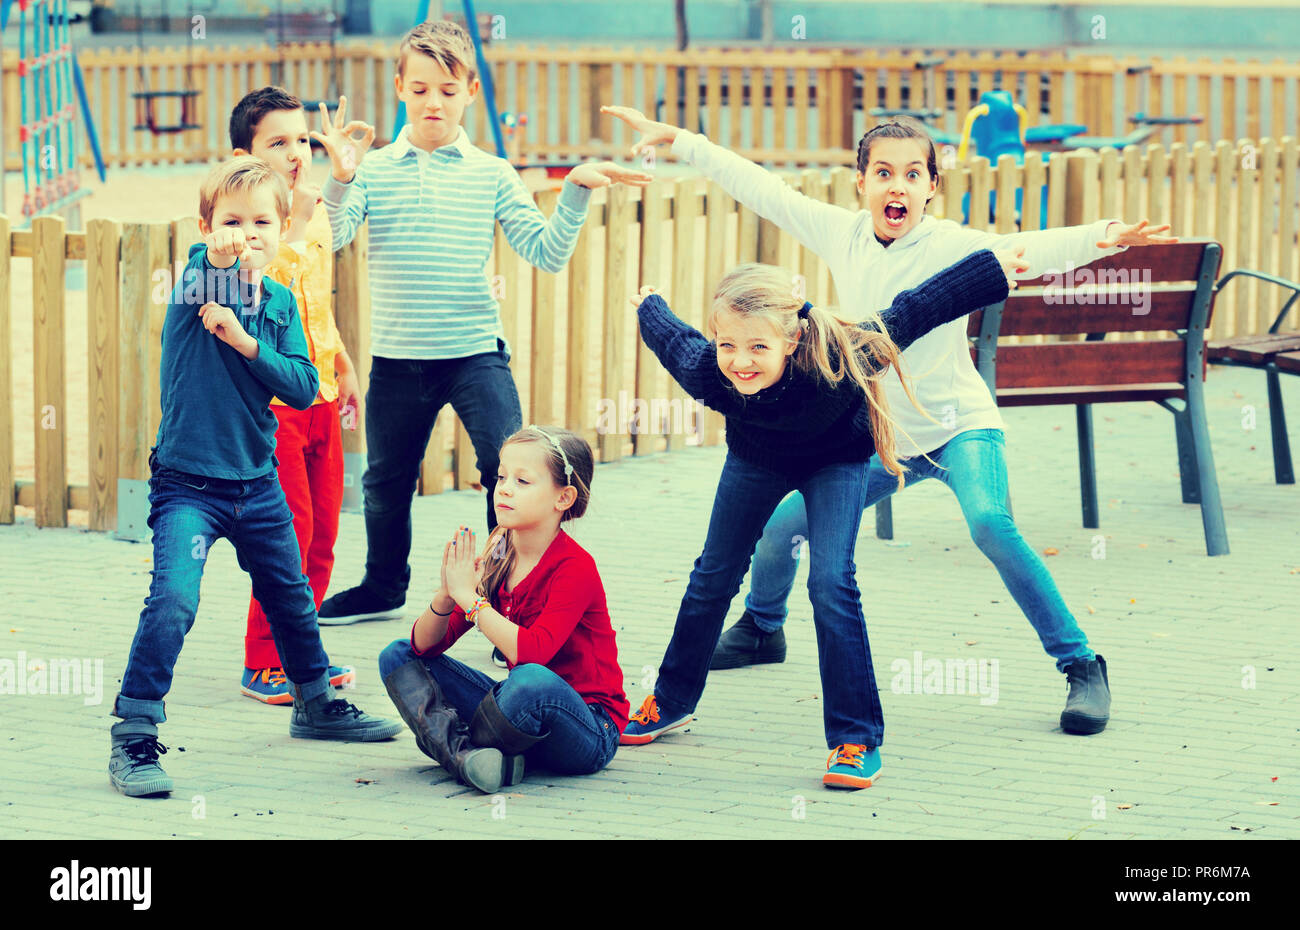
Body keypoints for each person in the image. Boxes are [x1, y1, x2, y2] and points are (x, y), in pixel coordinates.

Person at [604, 106, 1180, 735]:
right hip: (876, 436)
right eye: (883, 172)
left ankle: (1080, 664)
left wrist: (1108, 235)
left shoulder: (955, 244)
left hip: (958, 424)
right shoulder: (841, 234)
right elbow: (766, 190)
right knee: (780, 525)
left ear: (932, 185)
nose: (897, 186)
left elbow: (1027, 251)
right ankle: (763, 629)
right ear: (861, 180)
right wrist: (686, 142)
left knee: (989, 522)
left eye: (912, 174)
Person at [622, 252, 1015, 789]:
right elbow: (673, 338)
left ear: (792, 339)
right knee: (712, 577)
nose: (741, 362)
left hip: (836, 462)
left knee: (831, 581)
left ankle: (856, 737)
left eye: (758, 346)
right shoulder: (708, 372)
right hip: (756, 460)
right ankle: (669, 701)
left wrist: (997, 268)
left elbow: (917, 308)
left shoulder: (841, 355)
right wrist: (649, 306)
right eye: (729, 345)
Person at [314, 21, 651, 633]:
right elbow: (331, 237)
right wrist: (339, 176)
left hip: (475, 354)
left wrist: (573, 192)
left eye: (447, 89)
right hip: (397, 358)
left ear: (471, 89)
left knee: (511, 473)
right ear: (399, 89)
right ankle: (382, 585)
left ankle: (509, 602)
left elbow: (546, 252)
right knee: (384, 482)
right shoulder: (375, 169)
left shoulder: (492, 173)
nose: (433, 102)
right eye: (419, 90)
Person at [108, 157, 402, 798]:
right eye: (233, 221)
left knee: (293, 599)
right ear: (208, 225)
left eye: (262, 221)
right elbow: (203, 265)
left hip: (258, 483)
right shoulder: (196, 288)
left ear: (284, 225)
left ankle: (316, 703)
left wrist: (246, 342)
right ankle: (133, 733)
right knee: (174, 602)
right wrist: (215, 257)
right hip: (189, 486)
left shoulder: (280, 302)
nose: (248, 232)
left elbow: (301, 385)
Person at [379, 427, 628, 793]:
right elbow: (424, 647)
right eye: (501, 477)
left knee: (529, 681)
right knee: (397, 656)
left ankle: (459, 753)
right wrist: (447, 597)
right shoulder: (500, 549)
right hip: (518, 717)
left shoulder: (575, 567)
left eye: (523, 480)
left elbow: (532, 653)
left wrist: (471, 598)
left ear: (564, 497)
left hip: (588, 729)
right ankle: (474, 759)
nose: (505, 488)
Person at [228, 85, 360, 704]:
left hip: (322, 396)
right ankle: (264, 659)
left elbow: (317, 304)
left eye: (301, 140)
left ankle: (305, 655)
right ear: (243, 156)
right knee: (286, 534)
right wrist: (295, 221)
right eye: (276, 143)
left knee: (326, 533)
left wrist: (346, 364)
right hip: (274, 407)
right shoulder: (242, 231)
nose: (296, 154)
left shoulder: (317, 212)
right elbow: (262, 297)